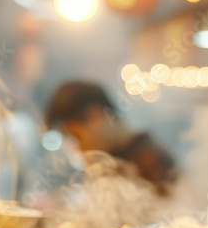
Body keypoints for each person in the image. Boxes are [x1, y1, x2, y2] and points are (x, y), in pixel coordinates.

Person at [45, 81, 178, 195]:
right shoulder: (112, 158)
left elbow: (166, 218)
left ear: (95, 116)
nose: (79, 149)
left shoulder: (151, 160)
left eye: (77, 137)